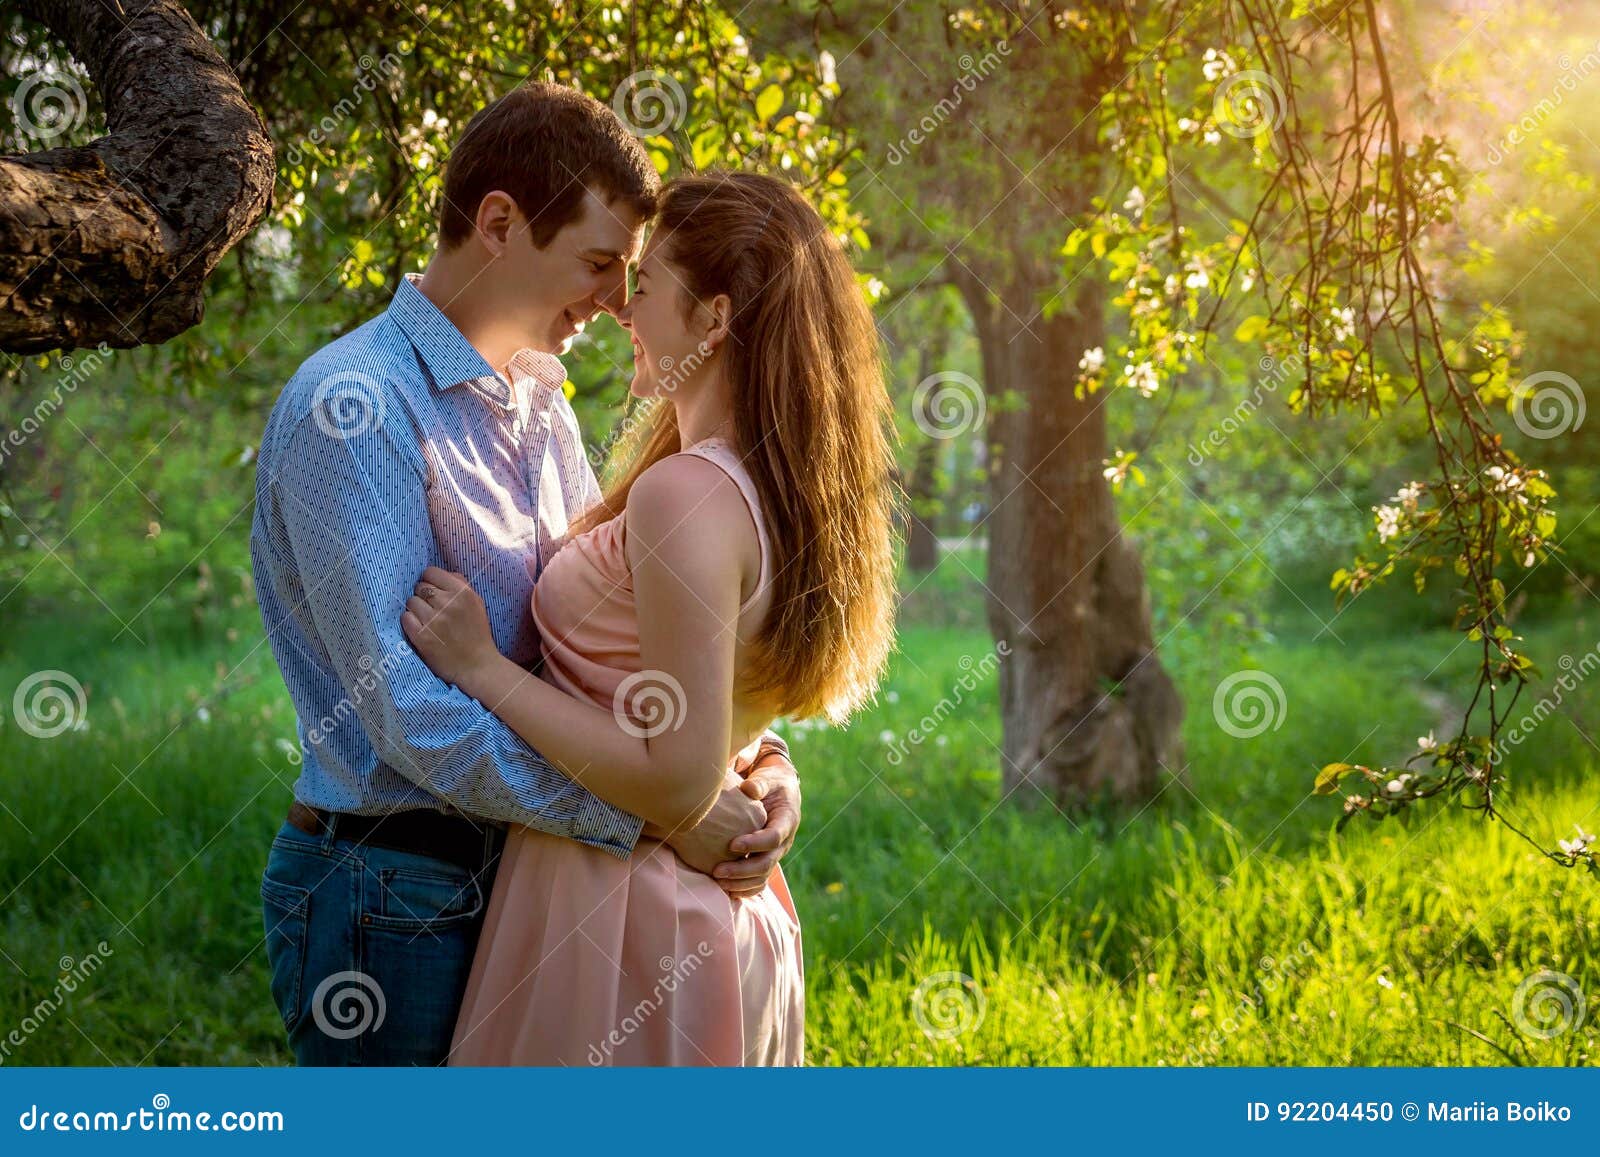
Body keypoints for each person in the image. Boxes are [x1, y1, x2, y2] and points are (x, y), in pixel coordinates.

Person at [249, 84, 803, 1066]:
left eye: (628, 273)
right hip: (394, 892)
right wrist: (653, 813)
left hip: (533, 884)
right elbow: (406, 711)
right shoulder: (356, 407)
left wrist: (746, 767)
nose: (612, 301)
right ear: (499, 222)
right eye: (596, 264)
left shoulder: (539, 408)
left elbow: (610, 645)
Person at [404, 170, 898, 1065]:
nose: (623, 310)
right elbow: (715, 702)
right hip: (712, 913)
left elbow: (675, 779)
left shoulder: (687, 495)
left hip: (624, 920)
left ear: (714, 319)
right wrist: (778, 772)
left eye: (647, 286)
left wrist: (485, 669)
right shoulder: (768, 491)